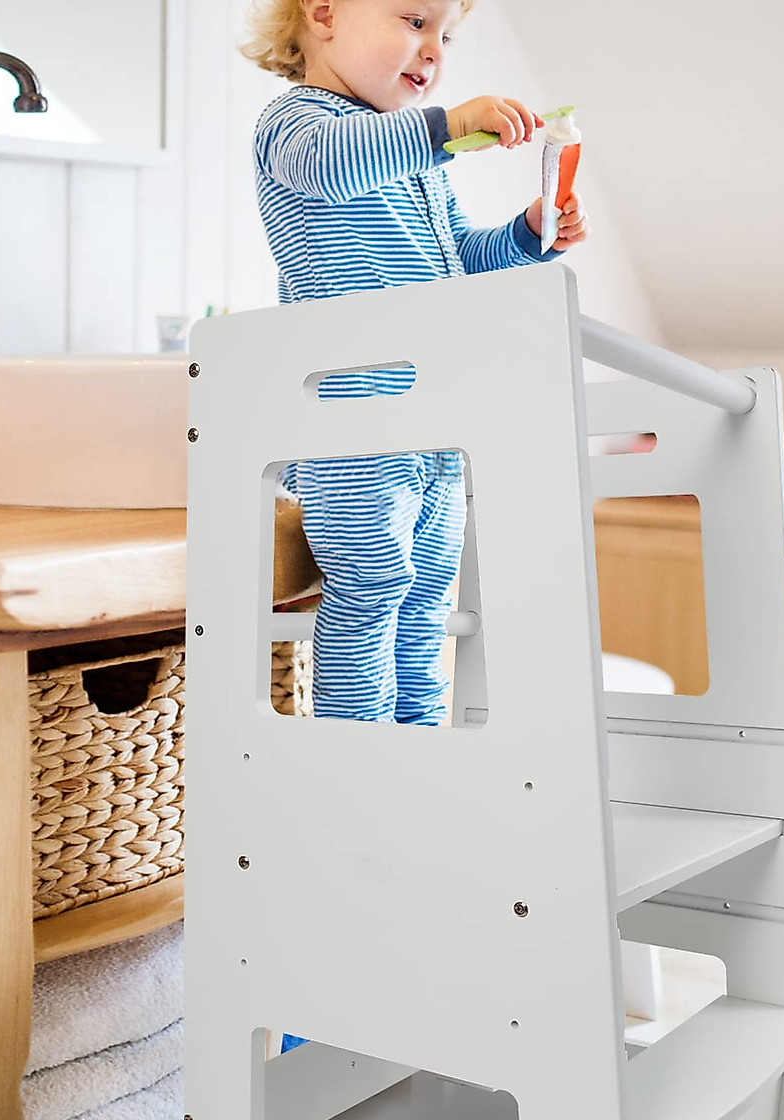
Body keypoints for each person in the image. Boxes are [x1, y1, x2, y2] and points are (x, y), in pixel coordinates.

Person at [244, 0, 590, 725]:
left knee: (426, 603)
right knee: (372, 588)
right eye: (413, 20)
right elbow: (333, 169)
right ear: (324, 13)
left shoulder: (423, 165)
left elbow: (457, 259)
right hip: (353, 422)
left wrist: (528, 236)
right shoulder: (299, 126)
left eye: (445, 35)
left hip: (434, 426)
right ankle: (362, 768)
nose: (433, 50)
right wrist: (451, 126)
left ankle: (417, 759)